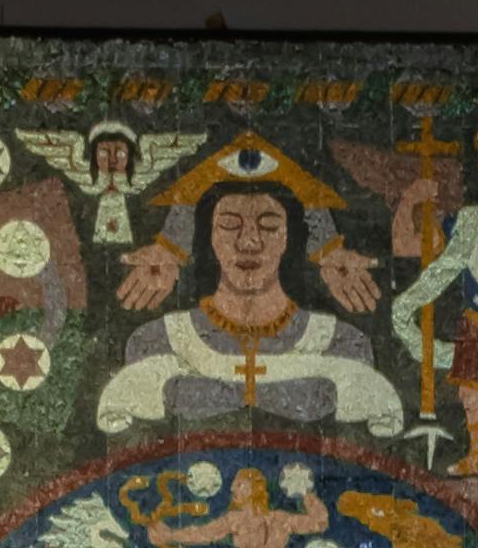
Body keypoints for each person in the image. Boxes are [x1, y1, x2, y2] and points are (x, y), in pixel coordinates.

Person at [96, 172, 402, 437]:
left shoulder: (341, 344)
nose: (249, 242)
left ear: (289, 238)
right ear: (208, 236)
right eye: (229, 225)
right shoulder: (158, 341)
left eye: (269, 226)